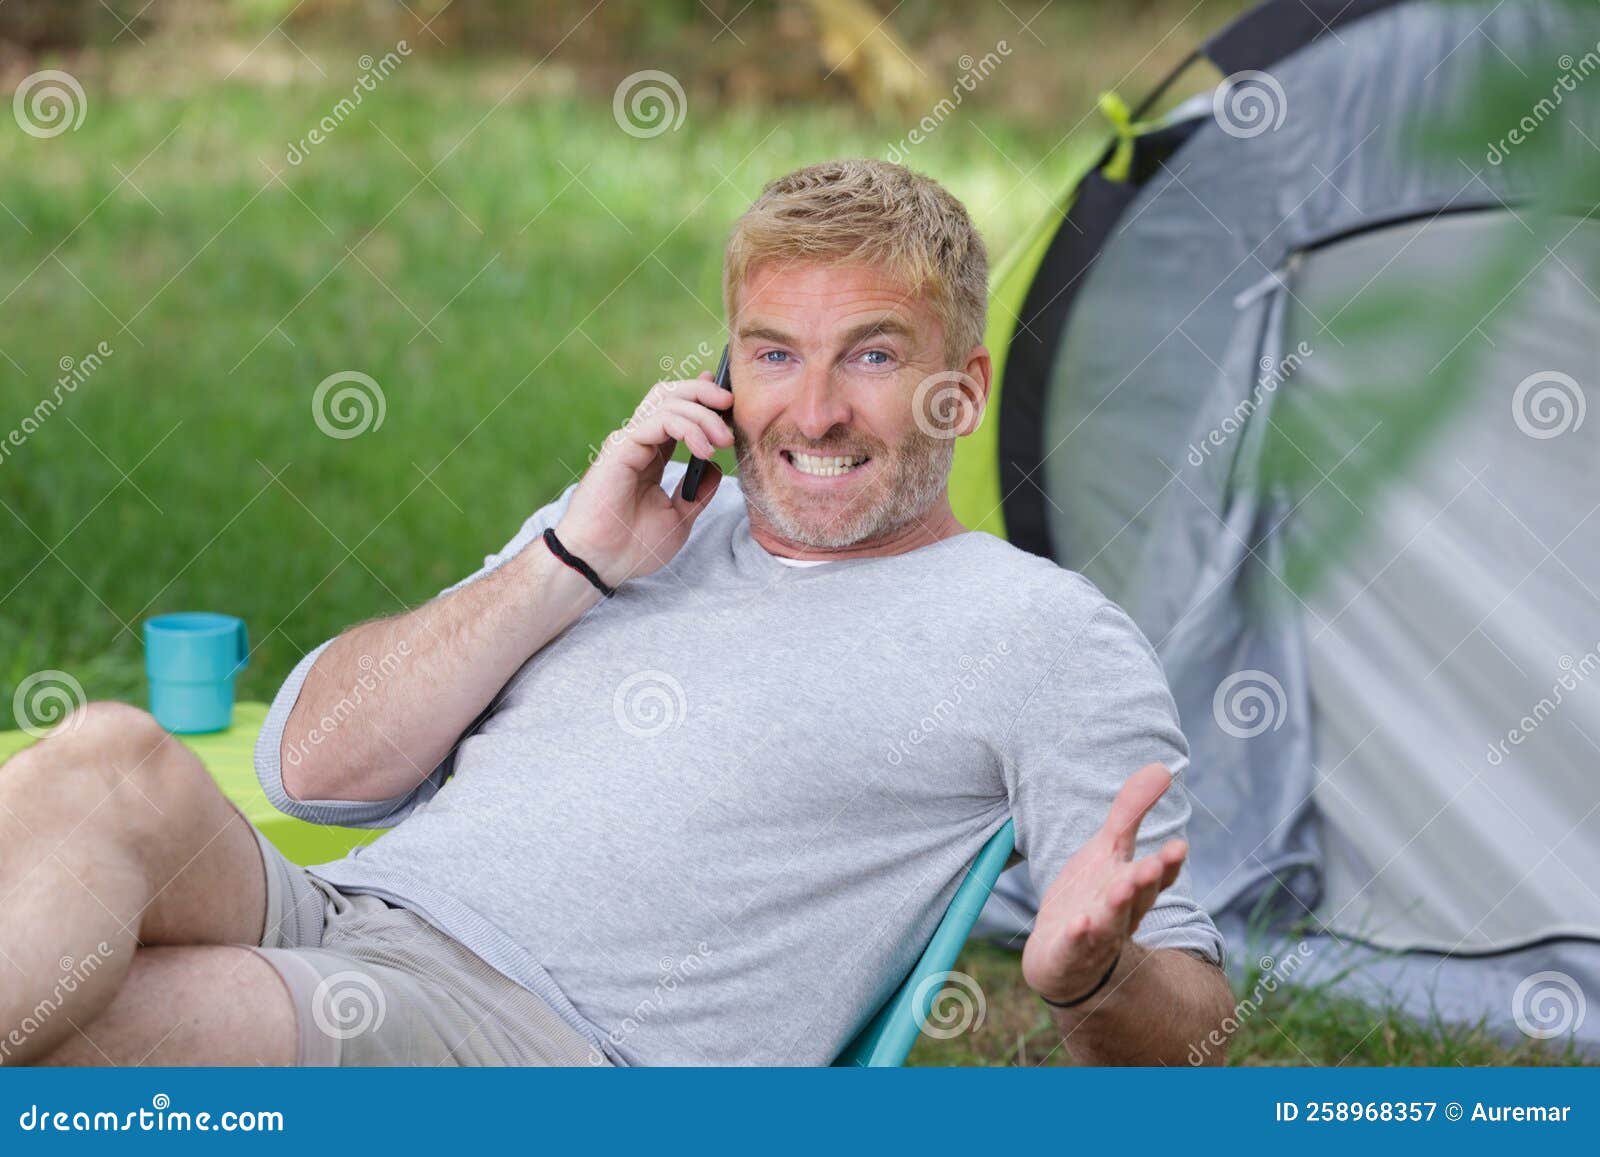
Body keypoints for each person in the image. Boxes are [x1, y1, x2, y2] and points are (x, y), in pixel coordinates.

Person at [0, 158, 1231, 1067]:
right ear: (723, 373)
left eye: (871, 354)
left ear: (959, 392)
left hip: (534, 1046)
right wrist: (570, 559)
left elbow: (1198, 1026)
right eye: (770, 354)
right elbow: (313, 769)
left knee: (96, 1020)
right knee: (111, 756)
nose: (811, 411)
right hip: (353, 912)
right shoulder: (634, 521)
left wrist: (1094, 973)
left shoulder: (1041, 634)